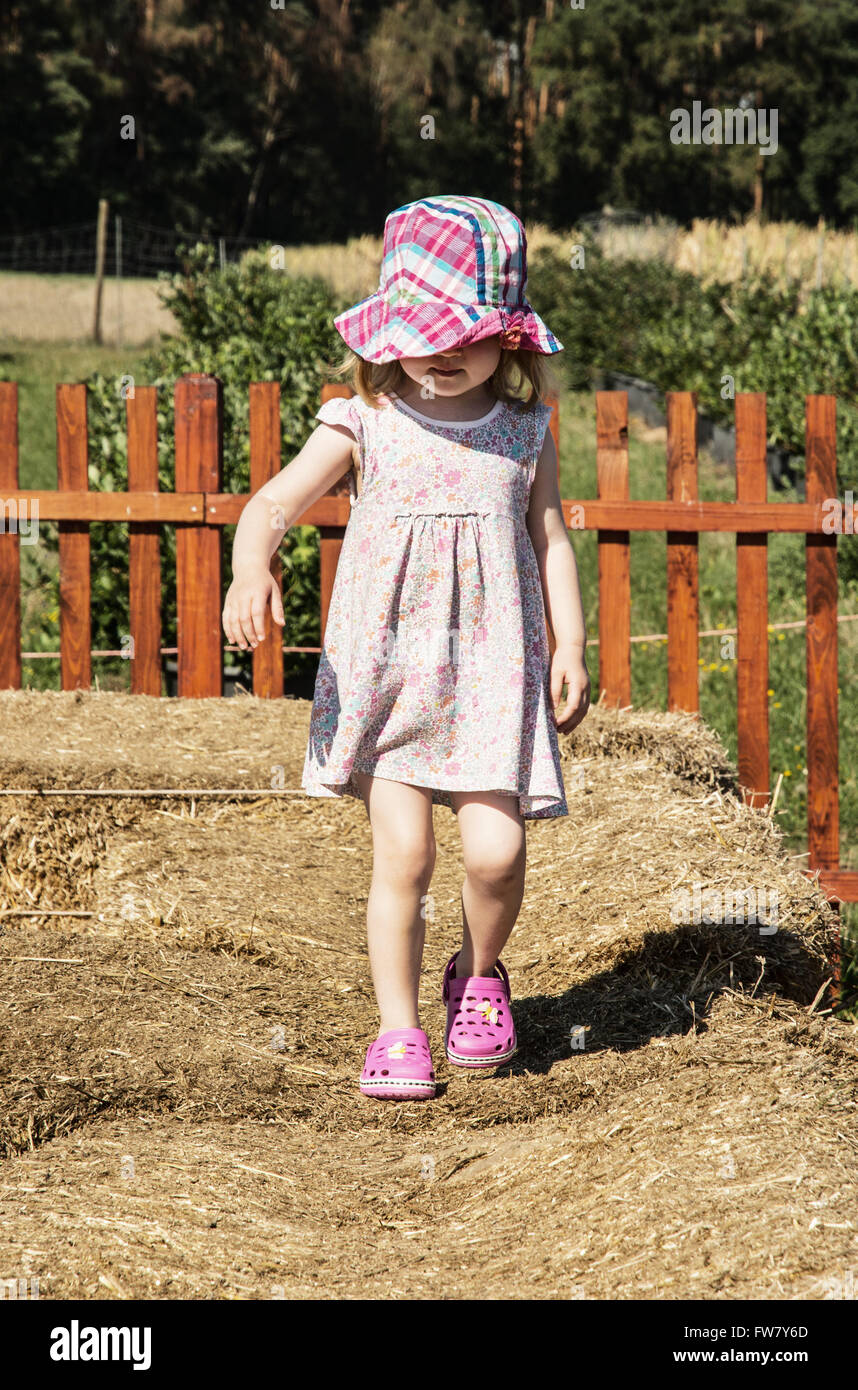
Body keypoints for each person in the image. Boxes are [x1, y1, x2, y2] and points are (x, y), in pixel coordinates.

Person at [222, 194, 590, 1102]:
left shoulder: (524, 431)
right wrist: (248, 570)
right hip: (390, 682)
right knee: (407, 857)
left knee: (498, 852)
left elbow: (550, 539)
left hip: (494, 677)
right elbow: (270, 504)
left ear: (509, 336)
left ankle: (479, 971)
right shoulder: (364, 422)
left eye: (464, 331)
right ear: (386, 333)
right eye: (423, 330)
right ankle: (397, 1026)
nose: (441, 350)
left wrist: (571, 642)